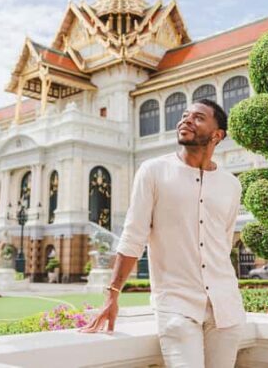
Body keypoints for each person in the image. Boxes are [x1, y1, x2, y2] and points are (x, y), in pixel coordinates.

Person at [80, 99, 245, 368]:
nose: (186, 120)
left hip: (225, 308)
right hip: (176, 306)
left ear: (218, 135)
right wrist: (112, 295)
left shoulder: (231, 185)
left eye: (199, 117)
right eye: (184, 115)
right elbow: (133, 237)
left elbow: (223, 244)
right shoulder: (154, 171)